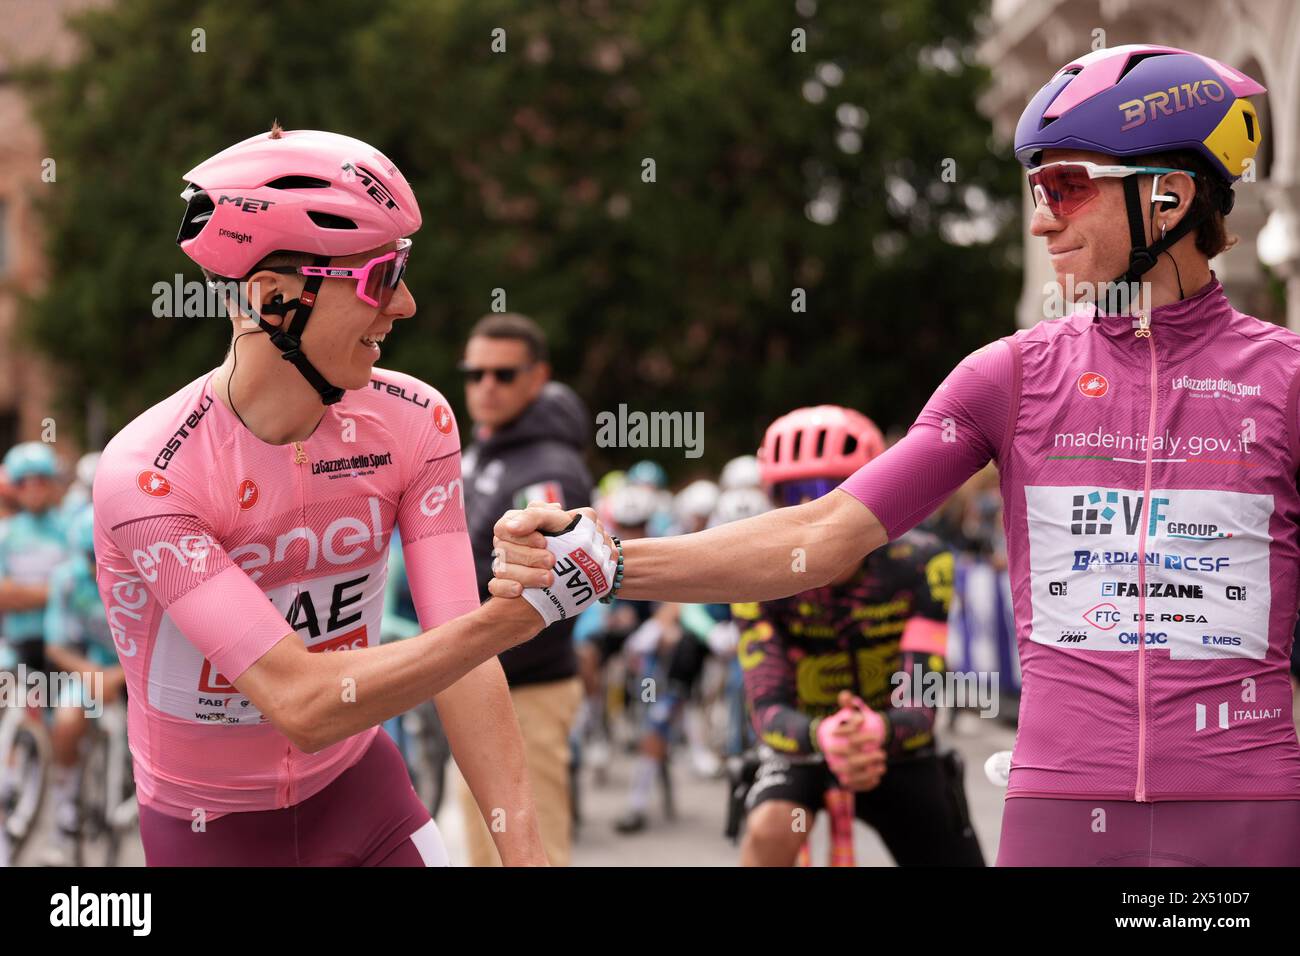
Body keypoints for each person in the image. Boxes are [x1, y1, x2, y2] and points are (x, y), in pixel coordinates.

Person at [488, 46, 1300, 866]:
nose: (1040, 219)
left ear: (1170, 196)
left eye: (1067, 186)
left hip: (1243, 805)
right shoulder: (1012, 375)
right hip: (1063, 802)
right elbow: (827, 533)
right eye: (1035, 190)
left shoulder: (1287, 381)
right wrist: (606, 562)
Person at [93, 125, 612, 866]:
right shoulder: (149, 473)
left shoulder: (415, 421)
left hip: (362, 798)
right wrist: (510, 619)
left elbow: (462, 660)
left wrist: (524, 854)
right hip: (212, 831)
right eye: (379, 279)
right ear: (276, 297)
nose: (404, 306)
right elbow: (303, 704)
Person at [735, 405, 983, 866]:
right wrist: (823, 734)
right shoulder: (754, 578)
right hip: (803, 743)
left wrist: (876, 730)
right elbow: (767, 709)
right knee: (770, 829)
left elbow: (923, 700)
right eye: (798, 495)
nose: (819, 512)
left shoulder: (922, 564)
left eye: (837, 491)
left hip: (896, 744)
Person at [456, 311, 593, 867]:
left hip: (524, 691)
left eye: (504, 375)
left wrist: (466, 656)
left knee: (532, 855)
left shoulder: (547, 467)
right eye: (474, 372)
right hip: (478, 682)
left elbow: (550, 596)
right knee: (485, 853)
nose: (486, 386)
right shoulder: (485, 449)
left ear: (538, 378)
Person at [40, 504, 125, 866]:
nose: (97, 566)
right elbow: (55, 644)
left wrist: (117, 676)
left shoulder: (146, 573)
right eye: (91, 557)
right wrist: (91, 672)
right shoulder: (66, 578)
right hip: (89, 665)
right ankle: (66, 808)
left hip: (136, 670)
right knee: (66, 720)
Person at [0, 442, 67, 675]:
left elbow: (80, 589)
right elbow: (3, 596)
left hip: (65, 643)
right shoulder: (5, 533)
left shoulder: (69, 528)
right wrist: (55, 591)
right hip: (19, 642)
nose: (32, 489)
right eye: (22, 483)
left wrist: (20, 593)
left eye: (39, 480)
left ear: (50, 483)